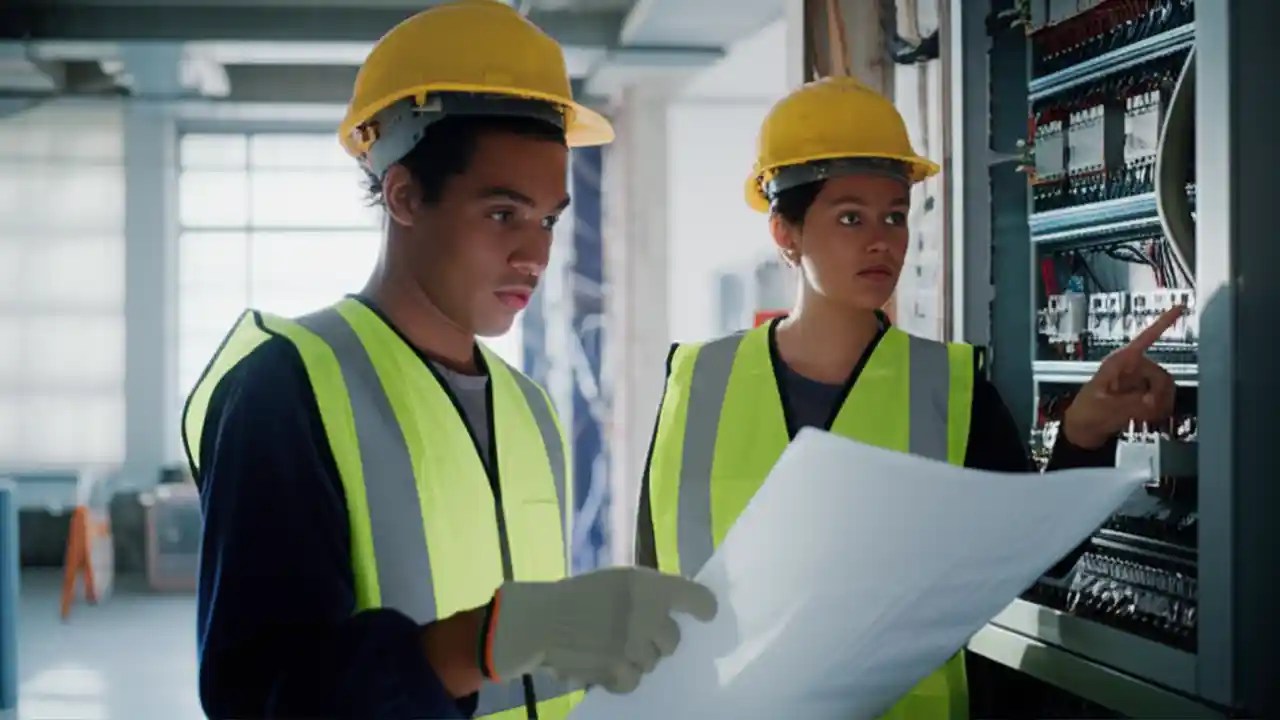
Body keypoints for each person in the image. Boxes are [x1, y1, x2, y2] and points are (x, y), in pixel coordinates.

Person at [182, 3, 717, 719]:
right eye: (502, 213)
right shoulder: (284, 388)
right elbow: (260, 695)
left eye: (549, 219)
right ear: (404, 195)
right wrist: (486, 641)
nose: (536, 255)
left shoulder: (529, 406)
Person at [633, 76, 1183, 720]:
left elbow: (1033, 567)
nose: (882, 240)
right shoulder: (696, 382)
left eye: (895, 215)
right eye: (850, 217)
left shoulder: (950, 389)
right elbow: (649, 588)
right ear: (785, 233)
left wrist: (1085, 434)